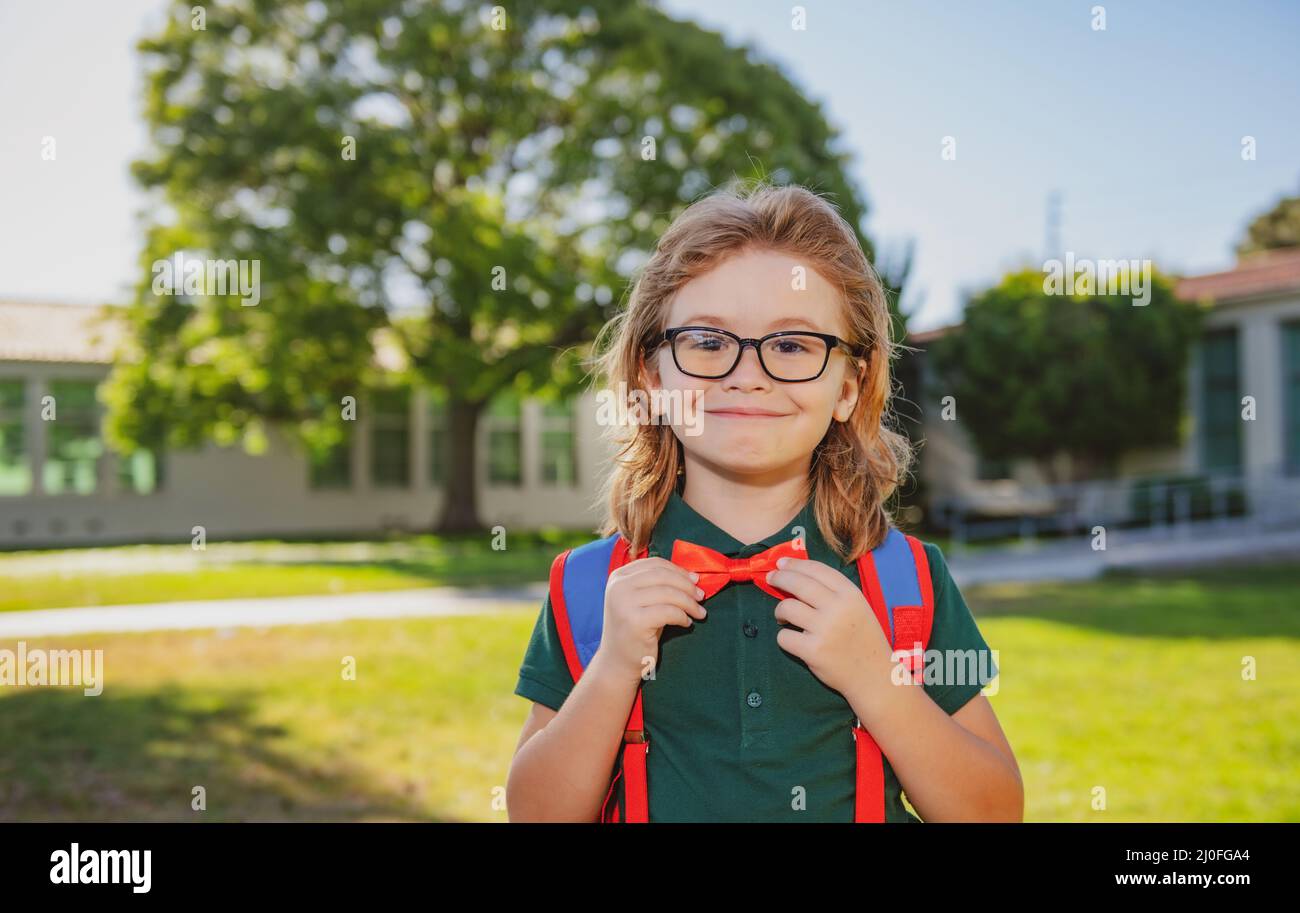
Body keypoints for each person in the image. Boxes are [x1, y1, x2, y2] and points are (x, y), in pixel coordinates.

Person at [506, 181, 1022, 822]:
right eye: (707, 341)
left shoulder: (908, 582)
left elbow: (992, 812)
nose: (747, 374)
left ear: (849, 388)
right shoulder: (588, 589)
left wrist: (875, 679)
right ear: (651, 373)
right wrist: (612, 669)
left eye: (791, 345)